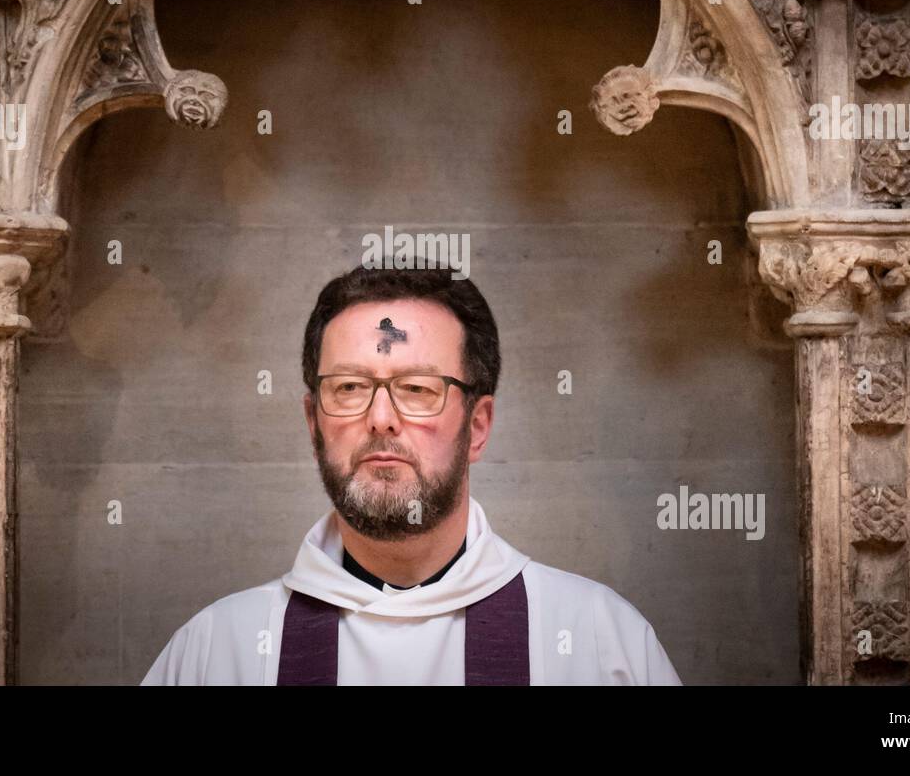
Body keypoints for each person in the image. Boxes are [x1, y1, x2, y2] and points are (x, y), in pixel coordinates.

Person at [142, 262, 681, 685]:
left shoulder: (600, 645)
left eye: (419, 389)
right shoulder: (216, 653)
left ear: (477, 426)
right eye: (349, 388)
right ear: (313, 422)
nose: (380, 419)